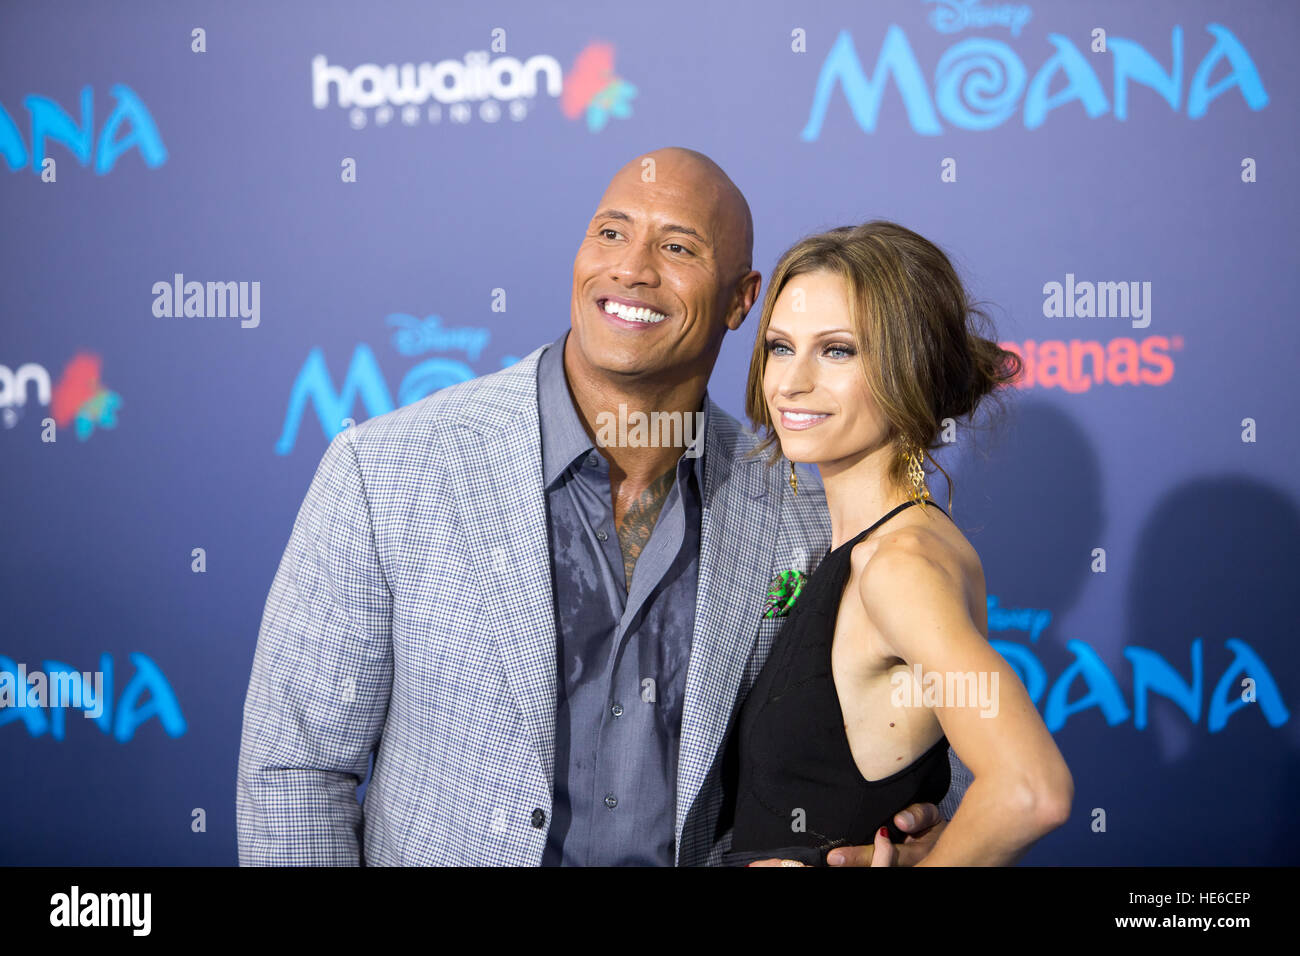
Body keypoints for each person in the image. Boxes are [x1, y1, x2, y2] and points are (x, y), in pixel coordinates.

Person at [236, 150, 971, 866]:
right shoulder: (387, 470)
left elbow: (930, 729)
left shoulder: (808, 509)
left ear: (742, 300)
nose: (630, 268)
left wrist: (932, 829)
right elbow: (295, 770)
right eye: (611, 233)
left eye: (676, 246)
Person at [725, 222, 1073, 866]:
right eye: (779, 347)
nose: (791, 382)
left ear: (909, 366)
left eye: (837, 351)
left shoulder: (900, 565)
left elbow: (1032, 788)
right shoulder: (882, 546)